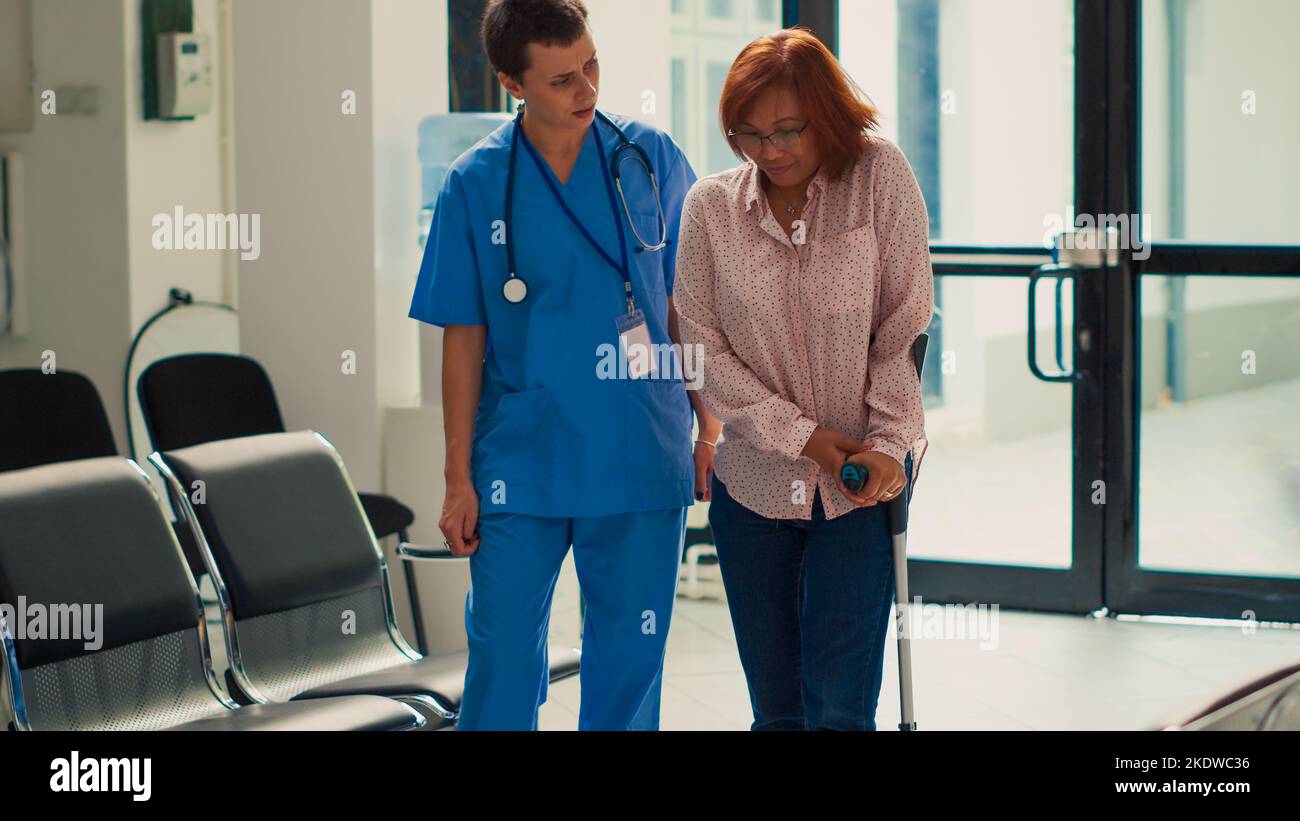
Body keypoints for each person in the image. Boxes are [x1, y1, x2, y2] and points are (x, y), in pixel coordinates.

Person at [407, 0, 718, 730]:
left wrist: (711, 424)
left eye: (591, 66)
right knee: (504, 653)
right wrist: (457, 477)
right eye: (560, 80)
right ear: (512, 84)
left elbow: (687, 306)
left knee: (629, 661)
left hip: (640, 442)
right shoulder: (475, 182)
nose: (587, 90)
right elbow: (464, 334)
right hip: (523, 451)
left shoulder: (650, 159)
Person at [673, 27, 934, 730]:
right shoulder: (709, 209)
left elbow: (902, 328)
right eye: (750, 134)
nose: (771, 151)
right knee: (779, 712)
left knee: (840, 710)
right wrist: (807, 437)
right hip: (754, 487)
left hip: (859, 487)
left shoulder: (880, 177)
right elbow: (701, 348)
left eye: (790, 129)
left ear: (828, 114)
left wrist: (885, 441)